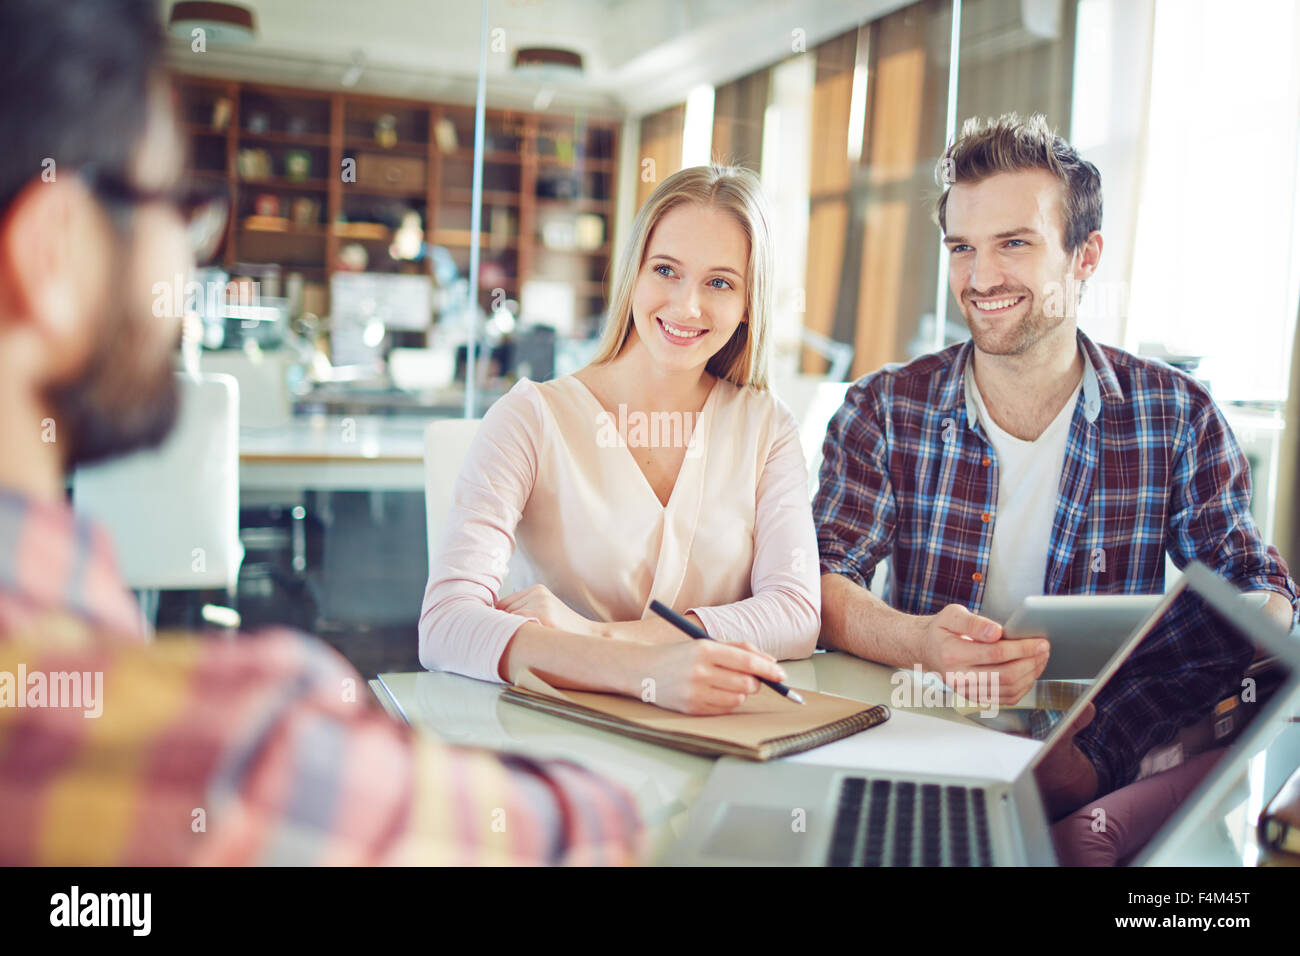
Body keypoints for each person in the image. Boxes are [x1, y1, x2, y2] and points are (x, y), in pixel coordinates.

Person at [0, 0, 640, 866]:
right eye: (181, 207)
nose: (188, 265)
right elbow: (601, 831)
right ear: (55, 253)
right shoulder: (235, 756)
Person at [814, 113, 1298, 817]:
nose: (981, 278)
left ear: (1085, 255)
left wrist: (1109, 743)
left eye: (1014, 243)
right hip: (918, 749)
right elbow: (824, 583)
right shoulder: (883, 407)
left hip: (1092, 767)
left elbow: (1258, 594)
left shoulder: (1176, 415)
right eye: (962, 248)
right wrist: (920, 642)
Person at [420, 165, 819, 715]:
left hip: (713, 734)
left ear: (750, 304)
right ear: (633, 273)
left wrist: (605, 636)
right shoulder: (530, 417)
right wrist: (642, 671)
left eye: (720, 282)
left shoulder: (768, 427)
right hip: (550, 732)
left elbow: (796, 610)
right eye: (666, 270)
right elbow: (445, 622)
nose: (686, 306)